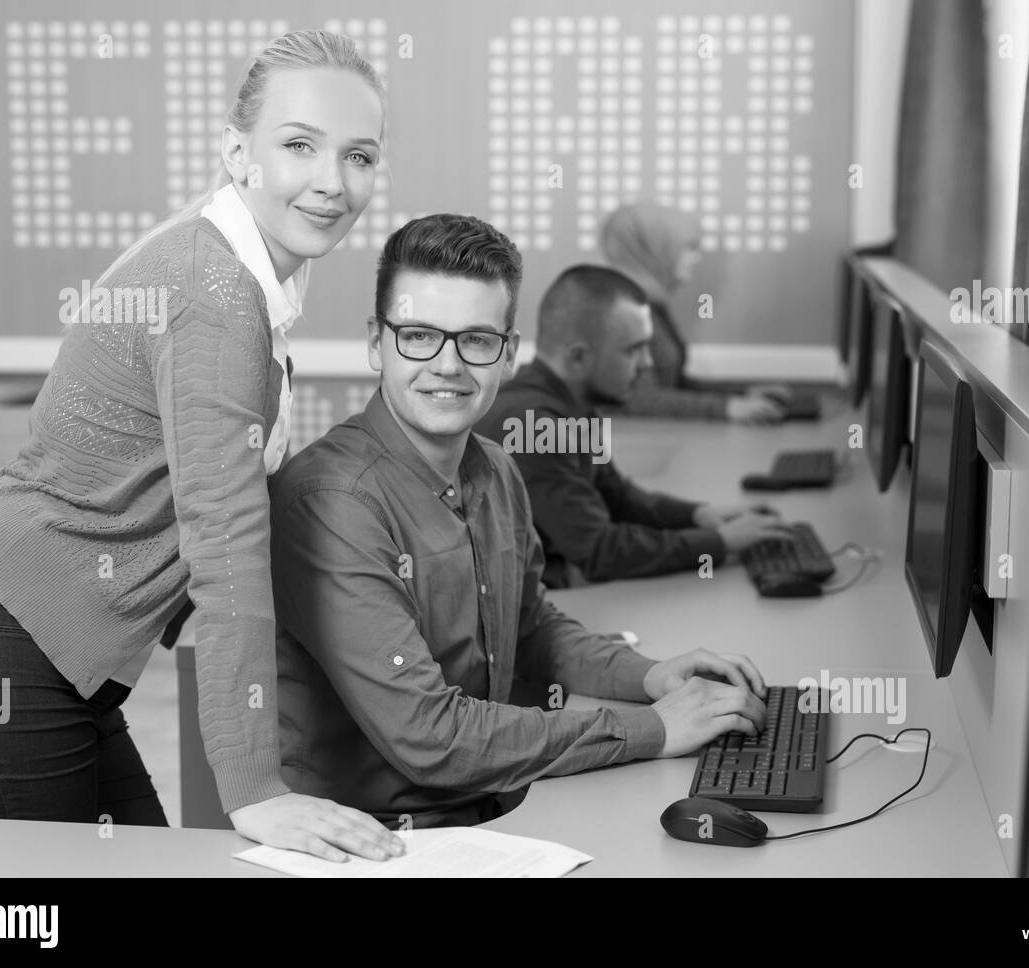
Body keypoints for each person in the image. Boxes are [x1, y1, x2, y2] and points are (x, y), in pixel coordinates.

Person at [0, 30, 403, 864]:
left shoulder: (237, 270)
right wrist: (255, 791)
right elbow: (225, 540)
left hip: (51, 660)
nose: (331, 182)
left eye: (359, 156)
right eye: (299, 146)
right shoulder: (214, 292)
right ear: (237, 153)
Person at [269, 214, 768, 828]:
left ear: (507, 354)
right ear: (377, 342)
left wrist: (651, 677)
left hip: (495, 807)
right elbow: (431, 737)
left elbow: (532, 628)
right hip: (383, 844)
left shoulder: (497, 472)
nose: (448, 365)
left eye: (476, 340)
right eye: (420, 335)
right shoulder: (332, 502)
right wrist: (653, 727)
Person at [475, 265, 787, 588]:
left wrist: (698, 516)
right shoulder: (533, 425)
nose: (647, 364)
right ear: (578, 358)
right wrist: (719, 543)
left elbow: (617, 497)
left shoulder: (570, 404)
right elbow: (599, 551)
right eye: (633, 350)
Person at [599, 201, 787, 422]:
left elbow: (673, 384)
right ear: (654, 249)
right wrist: (726, 408)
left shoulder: (649, 304)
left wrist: (739, 396)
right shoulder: (623, 310)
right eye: (688, 248)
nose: (696, 257)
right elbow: (639, 399)